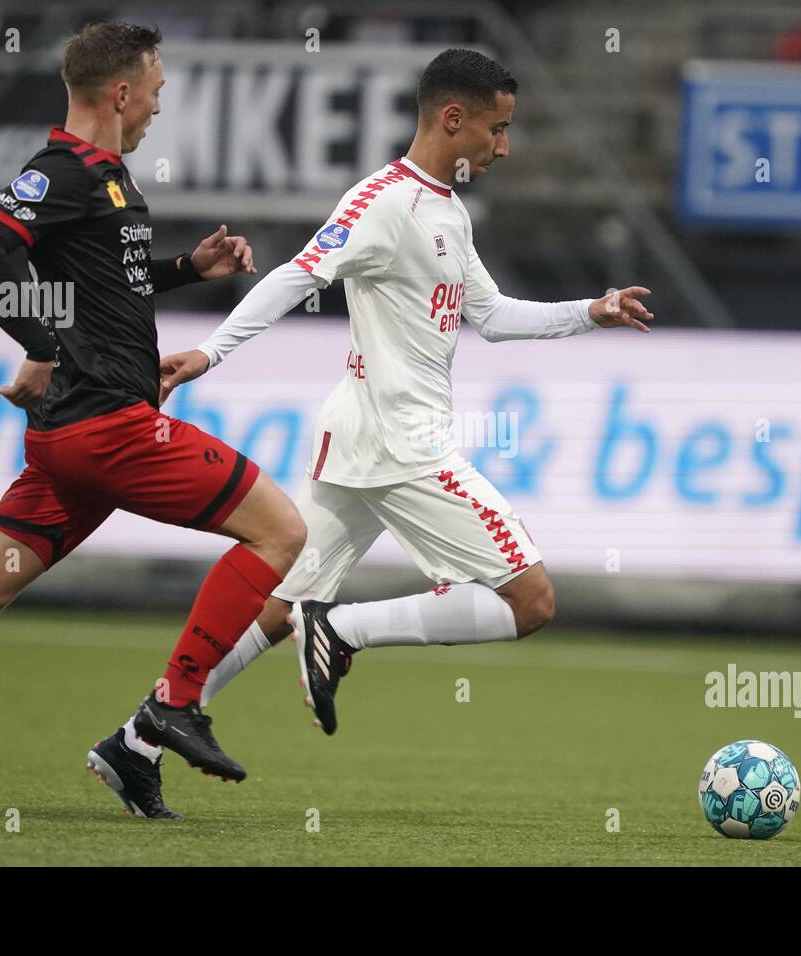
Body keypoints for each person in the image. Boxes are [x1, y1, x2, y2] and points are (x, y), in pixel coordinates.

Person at [100, 48, 653, 809]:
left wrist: (589, 311)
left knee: (276, 604)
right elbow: (300, 272)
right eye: (498, 130)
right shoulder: (382, 203)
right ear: (452, 119)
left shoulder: (448, 210)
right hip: (404, 442)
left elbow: (488, 316)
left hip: (361, 440)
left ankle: (137, 738)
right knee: (530, 601)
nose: (505, 147)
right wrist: (211, 352)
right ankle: (348, 630)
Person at [0, 21, 307, 821]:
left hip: (68, 445)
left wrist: (190, 268)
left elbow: (106, 288)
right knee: (282, 534)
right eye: (154, 89)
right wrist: (39, 346)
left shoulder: (108, 179)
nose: (157, 104)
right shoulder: (66, 170)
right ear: (120, 93)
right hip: (109, 430)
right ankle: (171, 707)